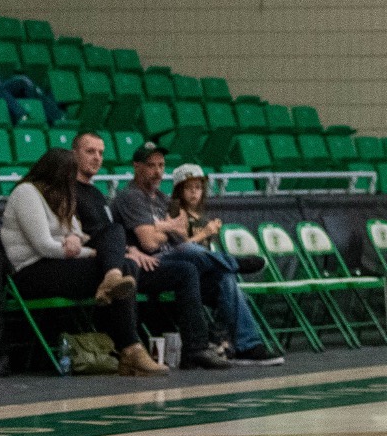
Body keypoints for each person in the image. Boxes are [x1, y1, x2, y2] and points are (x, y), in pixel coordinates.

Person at [70, 131, 228, 371]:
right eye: (90, 152)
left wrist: (131, 246)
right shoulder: (74, 192)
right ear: (74, 155)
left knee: (189, 270)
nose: (97, 158)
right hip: (101, 263)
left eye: (101, 153)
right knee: (186, 259)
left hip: (129, 259)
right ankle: (132, 348)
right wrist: (134, 247)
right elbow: (85, 236)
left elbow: (176, 233)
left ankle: (196, 349)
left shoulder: (97, 194)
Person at [1, 148, 161, 377]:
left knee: (115, 233)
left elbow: (79, 235)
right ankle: (130, 349)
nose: (72, 180)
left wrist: (81, 244)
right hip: (31, 271)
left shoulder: (60, 196)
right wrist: (86, 252)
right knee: (126, 265)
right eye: (69, 174)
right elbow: (43, 245)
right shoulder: (26, 193)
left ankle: (126, 337)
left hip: (61, 263)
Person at [113, 147, 281, 366]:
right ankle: (234, 262)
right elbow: (149, 242)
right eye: (151, 165)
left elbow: (181, 236)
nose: (157, 171)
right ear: (136, 167)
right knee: (194, 254)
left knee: (224, 278)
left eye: (161, 165)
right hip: (148, 264)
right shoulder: (130, 197)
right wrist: (167, 228)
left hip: (175, 259)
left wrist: (161, 228)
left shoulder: (164, 200)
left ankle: (248, 346)